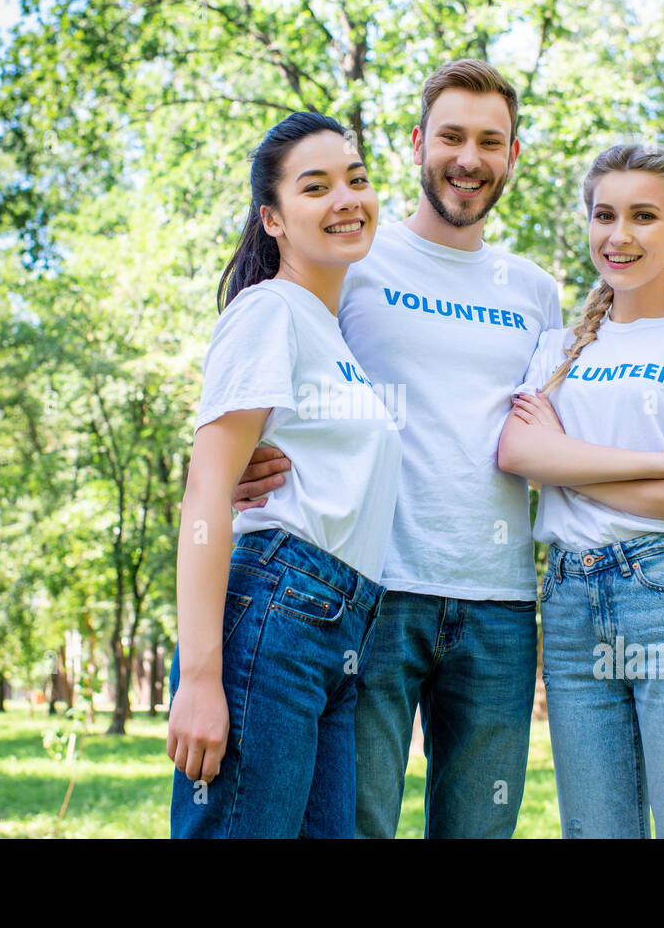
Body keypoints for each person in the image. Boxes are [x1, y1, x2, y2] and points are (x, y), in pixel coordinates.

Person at [234, 61, 562, 838]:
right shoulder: (352, 258)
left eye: (491, 141)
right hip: (371, 590)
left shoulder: (535, 290)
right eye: (450, 135)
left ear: (514, 155)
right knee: (358, 824)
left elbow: (542, 435)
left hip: (502, 605)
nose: (469, 157)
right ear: (418, 143)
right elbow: (259, 363)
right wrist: (232, 460)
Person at [497, 141, 664, 837]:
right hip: (572, 605)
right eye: (603, 214)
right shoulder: (558, 349)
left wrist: (573, 471)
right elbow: (521, 450)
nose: (619, 235)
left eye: (644, 216)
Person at [166, 111, 402, 838]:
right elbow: (207, 490)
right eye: (316, 186)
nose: (346, 199)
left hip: (338, 632)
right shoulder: (269, 310)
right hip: (275, 613)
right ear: (272, 217)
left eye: (356, 180)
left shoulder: (332, 335)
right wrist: (202, 677)